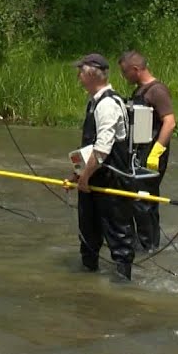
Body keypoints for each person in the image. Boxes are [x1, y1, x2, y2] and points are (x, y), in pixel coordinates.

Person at [68, 53, 135, 281]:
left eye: (81, 71)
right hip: (91, 179)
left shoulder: (107, 104)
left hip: (110, 181)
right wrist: (77, 176)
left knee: (119, 237)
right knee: (88, 235)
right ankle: (87, 283)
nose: (78, 76)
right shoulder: (94, 102)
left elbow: (102, 150)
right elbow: (88, 148)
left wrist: (84, 178)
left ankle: (123, 284)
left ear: (91, 74)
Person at [118, 51, 176, 253]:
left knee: (144, 200)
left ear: (136, 69)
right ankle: (142, 243)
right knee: (137, 198)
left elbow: (169, 122)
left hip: (152, 154)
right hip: (139, 153)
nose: (124, 77)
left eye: (125, 72)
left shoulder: (157, 91)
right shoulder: (140, 91)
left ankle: (148, 246)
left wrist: (156, 153)